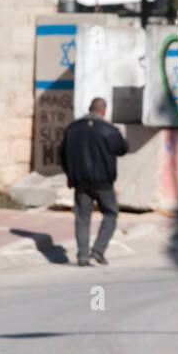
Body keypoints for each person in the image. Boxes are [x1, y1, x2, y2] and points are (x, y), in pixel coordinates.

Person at [60, 97, 128, 266]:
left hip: (80, 181)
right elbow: (123, 148)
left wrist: (69, 175)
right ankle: (98, 250)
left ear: (89, 108)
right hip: (103, 182)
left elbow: (62, 153)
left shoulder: (72, 128)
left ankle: (82, 256)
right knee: (111, 213)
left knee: (82, 217)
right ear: (103, 111)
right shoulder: (108, 129)